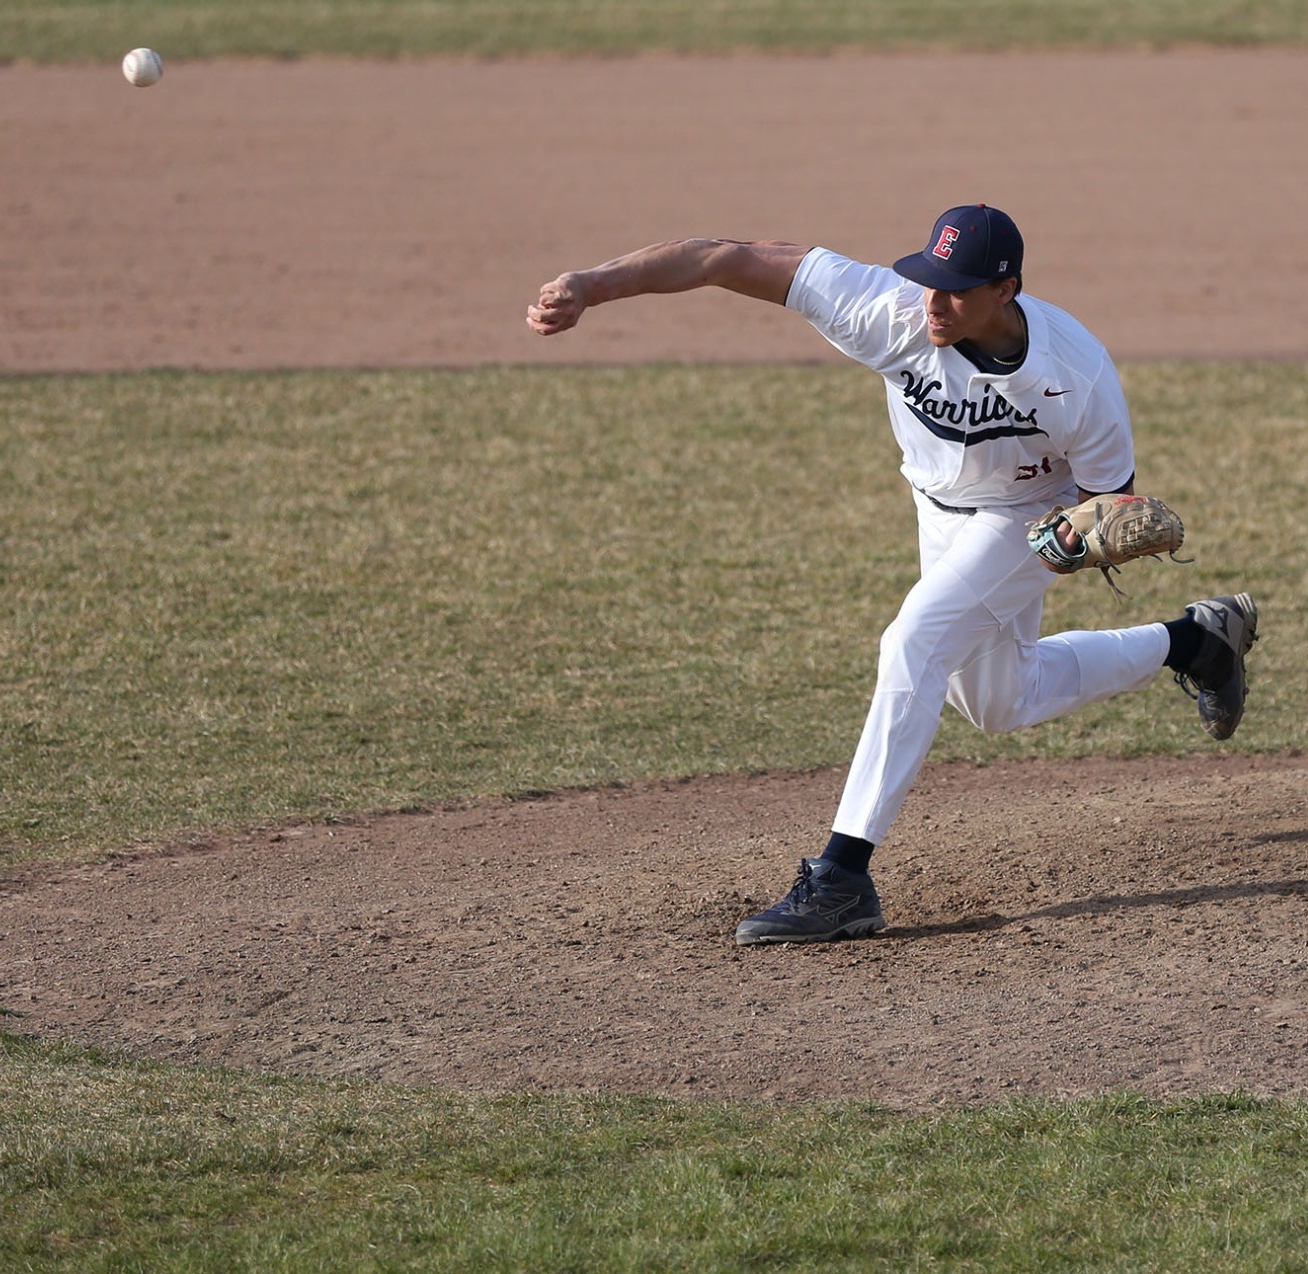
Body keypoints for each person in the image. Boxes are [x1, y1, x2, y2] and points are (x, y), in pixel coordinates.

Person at [527, 204, 1256, 945]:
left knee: (914, 642)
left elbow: (1108, 504)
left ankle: (843, 878)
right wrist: (592, 284)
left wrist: (1068, 540)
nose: (935, 303)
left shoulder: (1074, 373)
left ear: (1006, 290)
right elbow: (723, 256)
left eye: (958, 290)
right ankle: (1195, 642)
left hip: (1024, 516)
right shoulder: (888, 310)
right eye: (930, 282)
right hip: (937, 509)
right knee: (1003, 701)